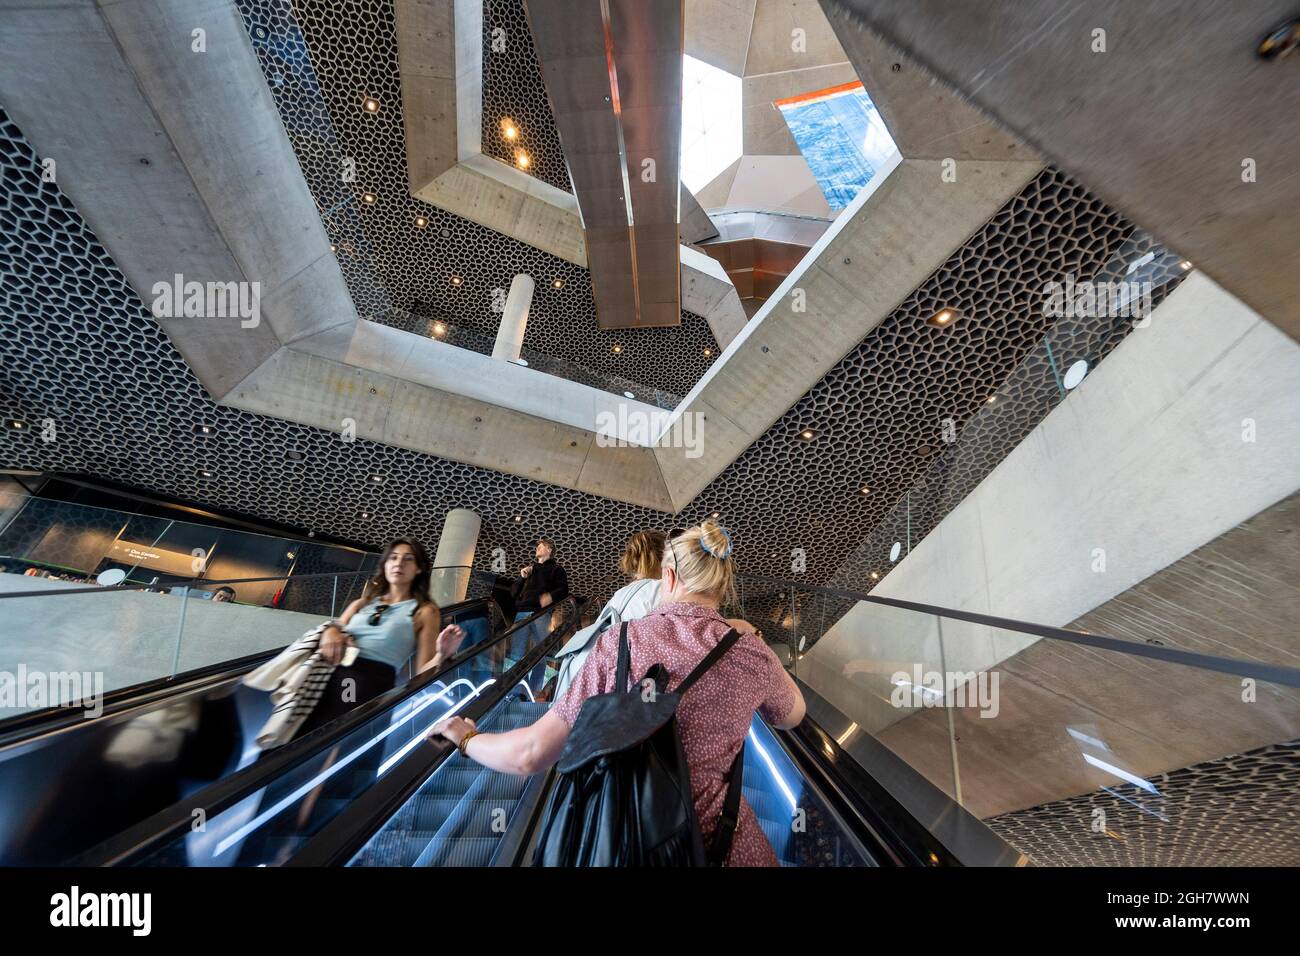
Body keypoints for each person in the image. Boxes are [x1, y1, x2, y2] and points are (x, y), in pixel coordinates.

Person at [433, 520, 805, 866]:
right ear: (722, 588)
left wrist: (466, 737)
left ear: (669, 577)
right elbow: (793, 715)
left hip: (628, 841)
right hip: (725, 848)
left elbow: (530, 755)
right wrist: (751, 639)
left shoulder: (621, 642)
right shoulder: (749, 651)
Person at [552, 529, 764, 698]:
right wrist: (735, 625)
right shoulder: (659, 590)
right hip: (608, 698)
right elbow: (691, 633)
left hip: (578, 688)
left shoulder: (621, 594)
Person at [301, 537, 466, 739]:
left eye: (408, 559)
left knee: (335, 745)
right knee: (300, 743)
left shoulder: (424, 611)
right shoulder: (362, 603)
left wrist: (441, 654)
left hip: (368, 683)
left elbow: (422, 671)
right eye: (393, 558)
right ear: (385, 564)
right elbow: (334, 629)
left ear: (419, 568)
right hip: (328, 676)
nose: (399, 563)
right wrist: (332, 631)